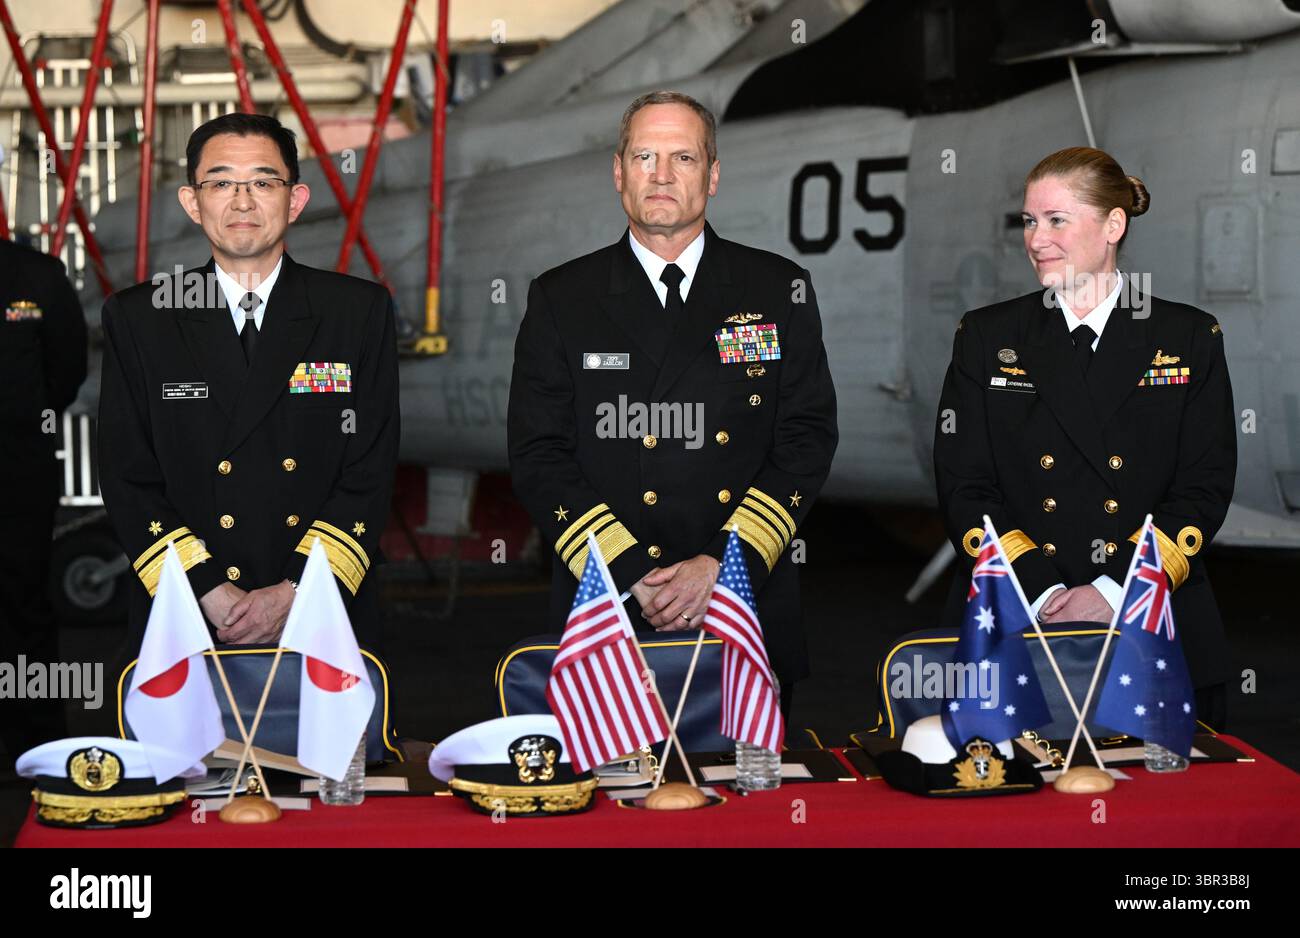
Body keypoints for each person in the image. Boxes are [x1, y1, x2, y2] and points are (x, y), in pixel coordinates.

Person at [508, 91, 838, 717]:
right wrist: (633, 573)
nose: (661, 175)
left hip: (740, 601)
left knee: (745, 806)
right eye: (644, 156)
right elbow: (538, 453)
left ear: (712, 176)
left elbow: (806, 438)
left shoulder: (779, 287)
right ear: (618, 172)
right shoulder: (562, 297)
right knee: (606, 805)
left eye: (683, 157)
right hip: (607, 609)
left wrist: (719, 562)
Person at [933, 146, 1236, 729]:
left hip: (1151, 621)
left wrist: (1112, 587)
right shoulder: (988, 335)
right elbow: (964, 485)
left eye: (1056, 220)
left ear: (1113, 225)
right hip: (1015, 616)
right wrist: (1043, 590)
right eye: (1029, 221)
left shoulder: (1189, 337)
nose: (1036, 239)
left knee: (1170, 813)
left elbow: (1204, 485)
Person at [97, 113, 400, 650]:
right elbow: (128, 476)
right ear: (193, 203)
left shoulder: (355, 311)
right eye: (220, 183)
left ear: (296, 199)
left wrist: (296, 592)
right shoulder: (141, 318)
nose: (242, 202)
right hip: (190, 615)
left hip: (320, 609)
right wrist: (207, 589)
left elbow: (369, 471)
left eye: (263, 182)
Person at [0, 238, 86, 762]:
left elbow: (66, 372)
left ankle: (38, 747)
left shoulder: (37, 275)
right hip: (20, 464)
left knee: (23, 604)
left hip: (16, 474)